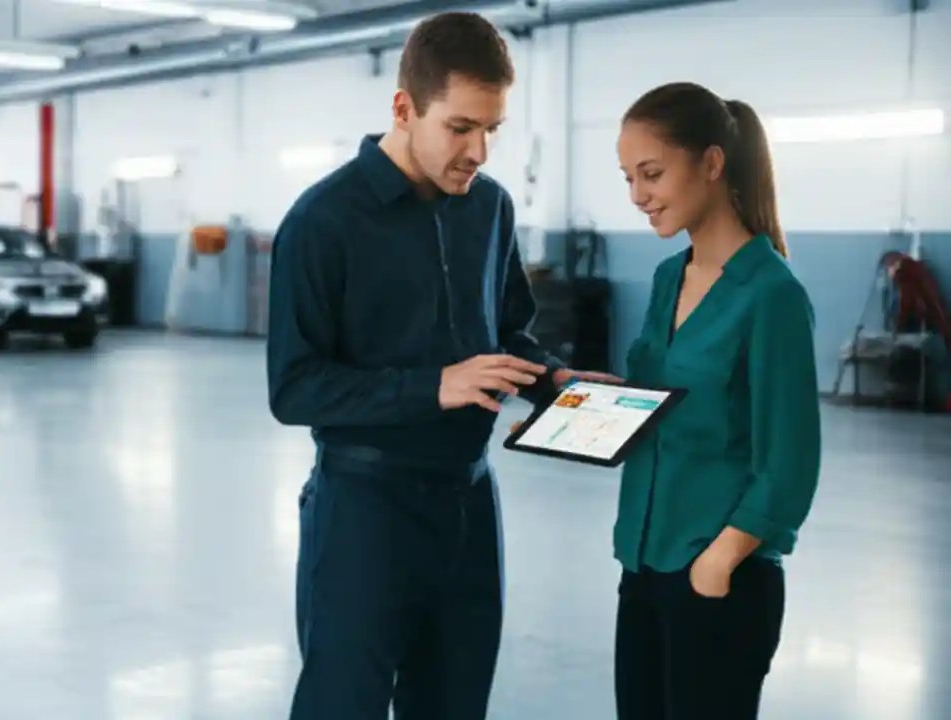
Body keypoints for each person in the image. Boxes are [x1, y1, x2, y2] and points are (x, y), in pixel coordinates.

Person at [265, 11, 615, 720]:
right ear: (404, 108)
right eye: (461, 127)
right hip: (364, 509)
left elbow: (509, 332)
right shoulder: (322, 220)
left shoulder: (489, 207)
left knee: (454, 706)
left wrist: (554, 382)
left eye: (493, 129)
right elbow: (294, 386)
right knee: (343, 705)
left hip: (467, 504)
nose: (479, 150)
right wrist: (434, 386)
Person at [611, 81, 822, 719]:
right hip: (644, 558)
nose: (638, 196)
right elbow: (666, 396)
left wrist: (719, 562)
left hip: (719, 571)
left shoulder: (772, 294)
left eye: (651, 173)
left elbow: (790, 461)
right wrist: (589, 400)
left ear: (711, 162)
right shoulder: (668, 276)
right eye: (627, 177)